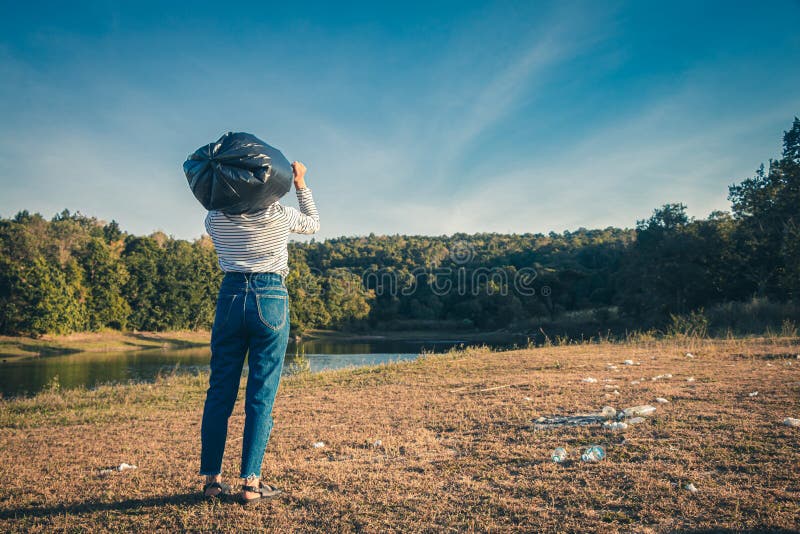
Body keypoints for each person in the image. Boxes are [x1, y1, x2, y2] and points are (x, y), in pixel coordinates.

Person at [199, 161, 319, 505]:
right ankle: (251, 484)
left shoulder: (215, 217)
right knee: (261, 395)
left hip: (231, 297)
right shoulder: (278, 213)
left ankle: (212, 481)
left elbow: (215, 209)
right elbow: (313, 223)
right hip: (271, 297)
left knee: (219, 391)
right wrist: (300, 182)